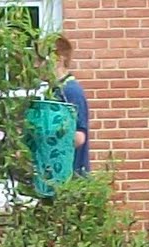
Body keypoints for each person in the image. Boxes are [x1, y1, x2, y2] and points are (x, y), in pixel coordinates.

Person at [54, 37, 90, 176]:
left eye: (41, 60)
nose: (35, 65)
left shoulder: (70, 91)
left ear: (59, 59)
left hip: (70, 175)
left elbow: (79, 137)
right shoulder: (54, 90)